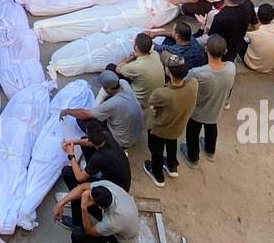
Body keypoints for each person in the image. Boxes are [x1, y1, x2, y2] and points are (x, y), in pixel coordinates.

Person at [55, 179, 139, 243]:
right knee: (79, 196)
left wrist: (84, 207)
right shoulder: (107, 187)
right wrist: (61, 203)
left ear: (100, 207)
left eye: (91, 199)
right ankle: (76, 222)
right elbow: (82, 188)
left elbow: (89, 231)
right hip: (119, 219)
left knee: (78, 234)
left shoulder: (113, 221)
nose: (88, 196)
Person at [141, 52, 197, 188]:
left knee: (156, 151)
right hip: (178, 126)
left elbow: (151, 103)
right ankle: (172, 166)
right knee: (172, 144)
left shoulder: (162, 93)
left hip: (160, 129)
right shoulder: (193, 84)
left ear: (168, 71)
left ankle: (157, 175)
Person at [61, 68, 143, 151]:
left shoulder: (113, 103)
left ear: (109, 89)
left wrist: (67, 111)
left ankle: (104, 145)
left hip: (123, 142)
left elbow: (85, 114)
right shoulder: (124, 83)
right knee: (104, 107)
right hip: (134, 134)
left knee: (82, 121)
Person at [183, 34, 234, 165]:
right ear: (225, 51)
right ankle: (210, 150)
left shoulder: (198, 72)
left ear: (206, 49)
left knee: (192, 133)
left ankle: (192, 157)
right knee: (212, 128)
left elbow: (183, 83)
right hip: (216, 109)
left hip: (198, 111)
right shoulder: (231, 67)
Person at [244, 3, 274, 73]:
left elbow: (244, 35)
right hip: (272, 65)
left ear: (257, 16)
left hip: (254, 65)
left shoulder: (254, 34)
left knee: (240, 40)